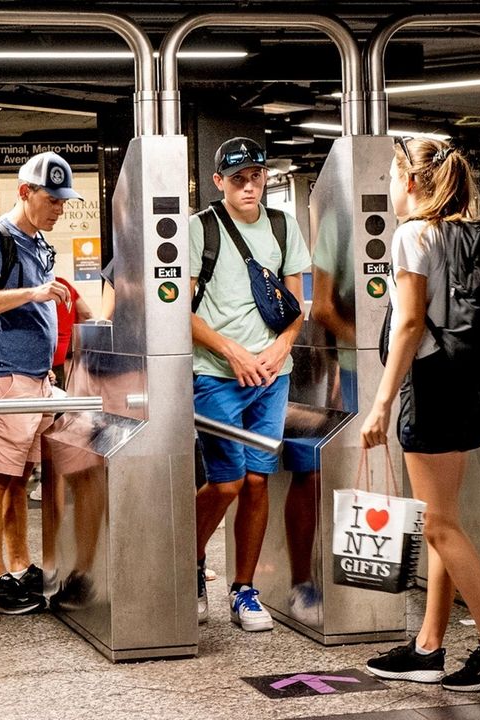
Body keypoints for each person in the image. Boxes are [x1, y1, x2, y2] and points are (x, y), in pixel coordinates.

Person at [361, 136, 480, 691]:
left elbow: (408, 325)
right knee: (444, 520)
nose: (390, 188)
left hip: (429, 386)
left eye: (391, 177)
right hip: (468, 383)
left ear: (411, 182)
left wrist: (381, 404)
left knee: (439, 525)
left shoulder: (414, 234)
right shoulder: (474, 232)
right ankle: (429, 647)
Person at [189, 137, 310, 630]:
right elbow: (179, 310)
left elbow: (296, 305)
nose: (248, 186)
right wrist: (233, 352)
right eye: (237, 178)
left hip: (271, 376)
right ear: (219, 182)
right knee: (226, 481)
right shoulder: (200, 229)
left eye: (255, 176)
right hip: (217, 374)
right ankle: (191, 565)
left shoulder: (283, 224)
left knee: (259, 480)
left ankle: (244, 590)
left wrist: (281, 349)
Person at [0, 151, 79, 614]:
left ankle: (20, 564)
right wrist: (33, 293)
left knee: (21, 477)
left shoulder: (40, 243)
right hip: (2, 376)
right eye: (51, 200)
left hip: (34, 377)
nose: (58, 208)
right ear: (25, 192)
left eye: (62, 202)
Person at [50, 275, 92, 391]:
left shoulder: (41, 286)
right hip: (62, 351)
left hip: (43, 350)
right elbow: (86, 314)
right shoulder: (63, 283)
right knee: (59, 394)